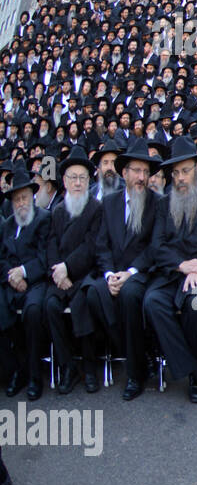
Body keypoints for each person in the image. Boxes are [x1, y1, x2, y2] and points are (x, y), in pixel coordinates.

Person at [141, 137, 197, 407]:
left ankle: (194, 374)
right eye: (175, 172)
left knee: (195, 305)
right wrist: (181, 265)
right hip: (172, 273)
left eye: (185, 171)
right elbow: (156, 246)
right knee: (152, 303)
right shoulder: (164, 203)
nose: (180, 178)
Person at [84, 137, 160, 399]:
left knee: (129, 296)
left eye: (146, 172)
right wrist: (108, 276)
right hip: (113, 273)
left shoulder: (156, 202)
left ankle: (135, 374)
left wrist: (130, 273)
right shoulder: (109, 202)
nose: (142, 177)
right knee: (93, 293)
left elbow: (155, 247)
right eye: (136, 171)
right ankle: (139, 353)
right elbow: (101, 245)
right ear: (124, 173)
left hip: (141, 274)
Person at [43, 146, 103, 394]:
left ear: (88, 181)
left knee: (82, 302)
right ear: (65, 181)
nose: (77, 183)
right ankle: (68, 366)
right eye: (72, 178)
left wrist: (68, 268)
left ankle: (89, 366)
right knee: (50, 306)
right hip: (61, 277)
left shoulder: (96, 208)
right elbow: (51, 244)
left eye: (82, 178)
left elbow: (92, 245)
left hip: (85, 273)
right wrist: (58, 271)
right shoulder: (57, 211)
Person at [0, 171, 51, 401]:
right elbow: (2, 258)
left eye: (24, 197)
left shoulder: (43, 218)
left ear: (32, 197)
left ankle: (34, 376)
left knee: (32, 312)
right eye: (16, 199)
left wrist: (23, 273)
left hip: (37, 283)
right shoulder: (8, 225)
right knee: (3, 310)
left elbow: (45, 257)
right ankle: (17, 369)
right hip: (12, 283)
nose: (21, 203)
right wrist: (11, 277)